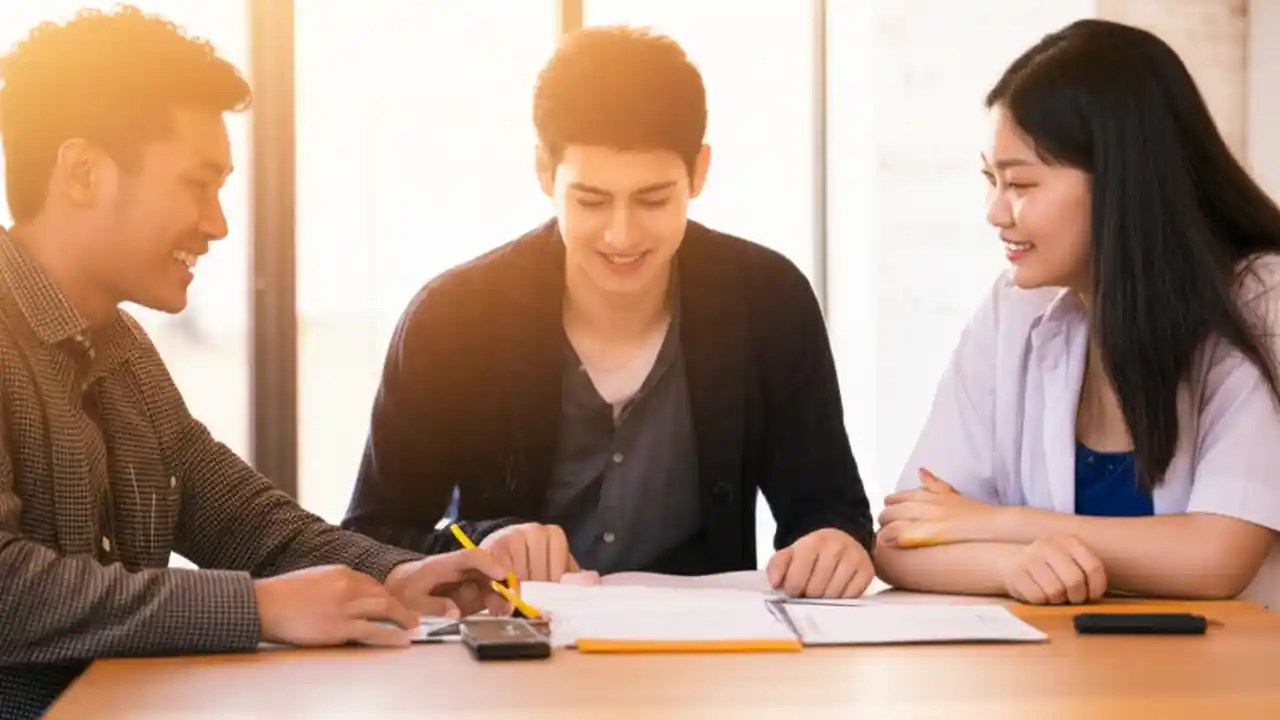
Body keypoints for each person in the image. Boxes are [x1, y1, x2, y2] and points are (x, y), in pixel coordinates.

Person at [0, 8, 509, 716]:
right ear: (84, 172)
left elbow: (236, 516)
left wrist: (393, 574)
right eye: (196, 184)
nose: (217, 224)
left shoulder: (121, 348)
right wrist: (259, 607)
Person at [343, 27, 875, 596]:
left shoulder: (769, 300)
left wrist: (835, 545)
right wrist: (481, 543)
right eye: (591, 200)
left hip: (706, 641)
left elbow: (832, 511)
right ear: (545, 172)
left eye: (653, 199)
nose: (621, 235)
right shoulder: (451, 319)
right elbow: (369, 540)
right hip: (514, 640)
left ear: (699, 171)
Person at [874, 19, 1280, 608]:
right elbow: (901, 541)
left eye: (1021, 184)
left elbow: (1214, 558)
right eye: (990, 180)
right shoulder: (1015, 307)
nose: (995, 212)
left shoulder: (1261, 298)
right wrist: (1012, 565)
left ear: (1120, 182)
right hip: (1067, 662)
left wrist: (1005, 523)